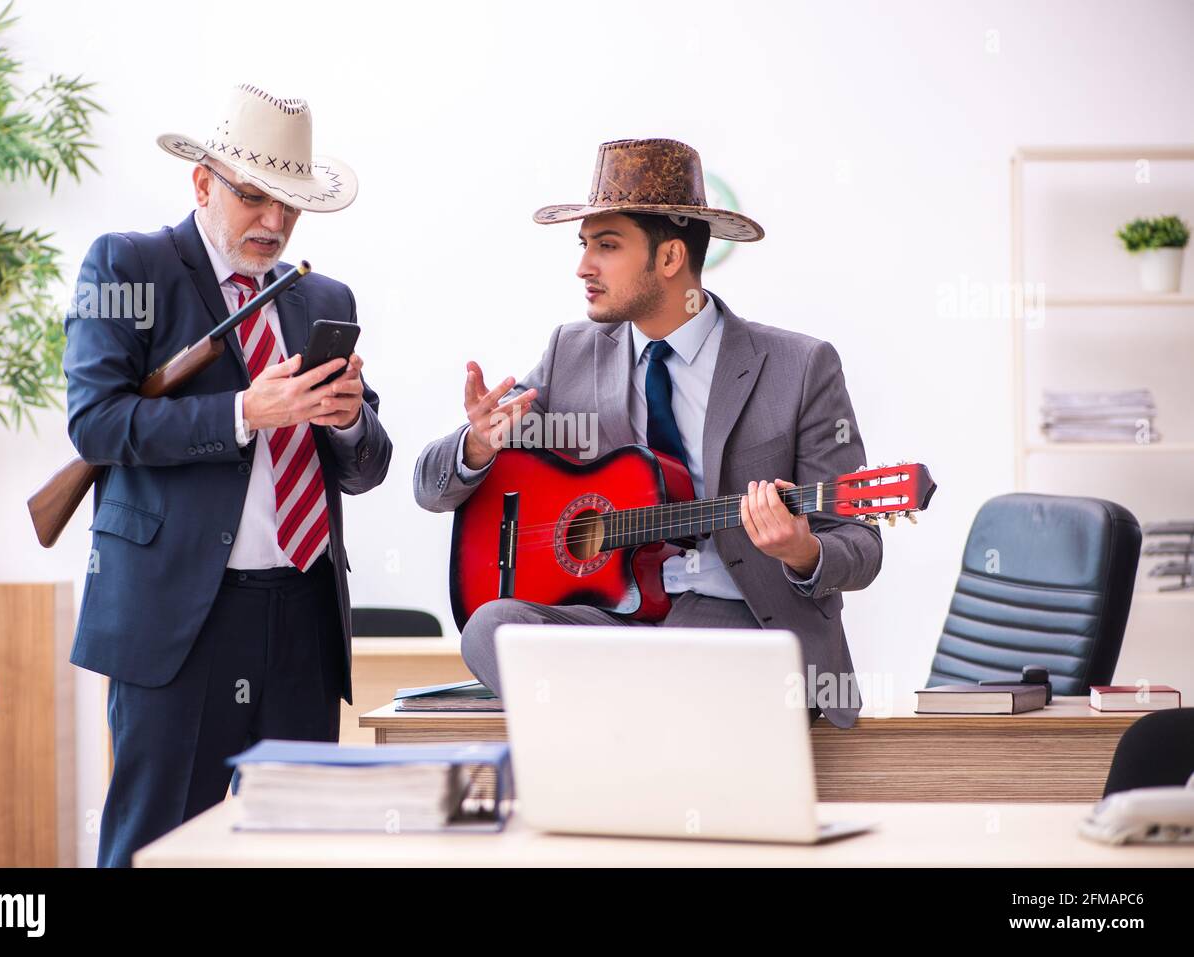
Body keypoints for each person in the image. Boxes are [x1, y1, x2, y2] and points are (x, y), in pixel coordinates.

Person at [413, 138, 880, 728]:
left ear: (669, 259)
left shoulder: (799, 366)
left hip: (740, 625)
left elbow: (860, 543)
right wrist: (476, 445)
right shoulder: (570, 353)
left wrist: (801, 550)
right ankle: (629, 732)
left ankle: (614, 739)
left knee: (674, 679)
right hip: (613, 624)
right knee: (492, 629)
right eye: (584, 245)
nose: (583, 266)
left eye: (607, 246)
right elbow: (430, 490)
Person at [65, 84, 391, 866]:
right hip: (182, 622)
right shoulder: (127, 261)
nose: (275, 223)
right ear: (202, 182)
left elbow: (368, 465)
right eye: (255, 197)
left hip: (304, 620)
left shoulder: (324, 295)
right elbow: (97, 422)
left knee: (295, 849)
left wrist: (344, 417)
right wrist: (246, 411)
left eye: (291, 205)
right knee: (159, 841)